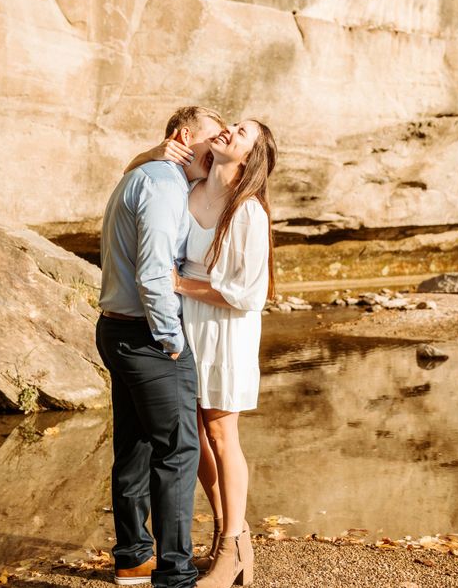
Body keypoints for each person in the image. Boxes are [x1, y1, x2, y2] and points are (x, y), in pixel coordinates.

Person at [133, 119, 277, 588]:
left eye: (242, 134)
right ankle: (228, 532)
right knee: (188, 432)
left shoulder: (248, 212)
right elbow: (133, 174)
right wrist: (154, 151)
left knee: (219, 429)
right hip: (186, 323)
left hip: (226, 329)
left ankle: (232, 547)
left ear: (249, 158)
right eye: (233, 124)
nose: (230, 131)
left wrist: (179, 283)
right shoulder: (191, 184)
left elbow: (249, 295)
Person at [96, 105, 227, 588]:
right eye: (212, 138)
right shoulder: (165, 185)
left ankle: (133, 559)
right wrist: (171, 340)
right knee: (178, 453)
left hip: (116, 328)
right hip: (148, 336)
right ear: (183, 135)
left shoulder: (145, 174)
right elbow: (154, 273)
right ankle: (175, 576)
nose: (218, 149)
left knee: (134, 445)